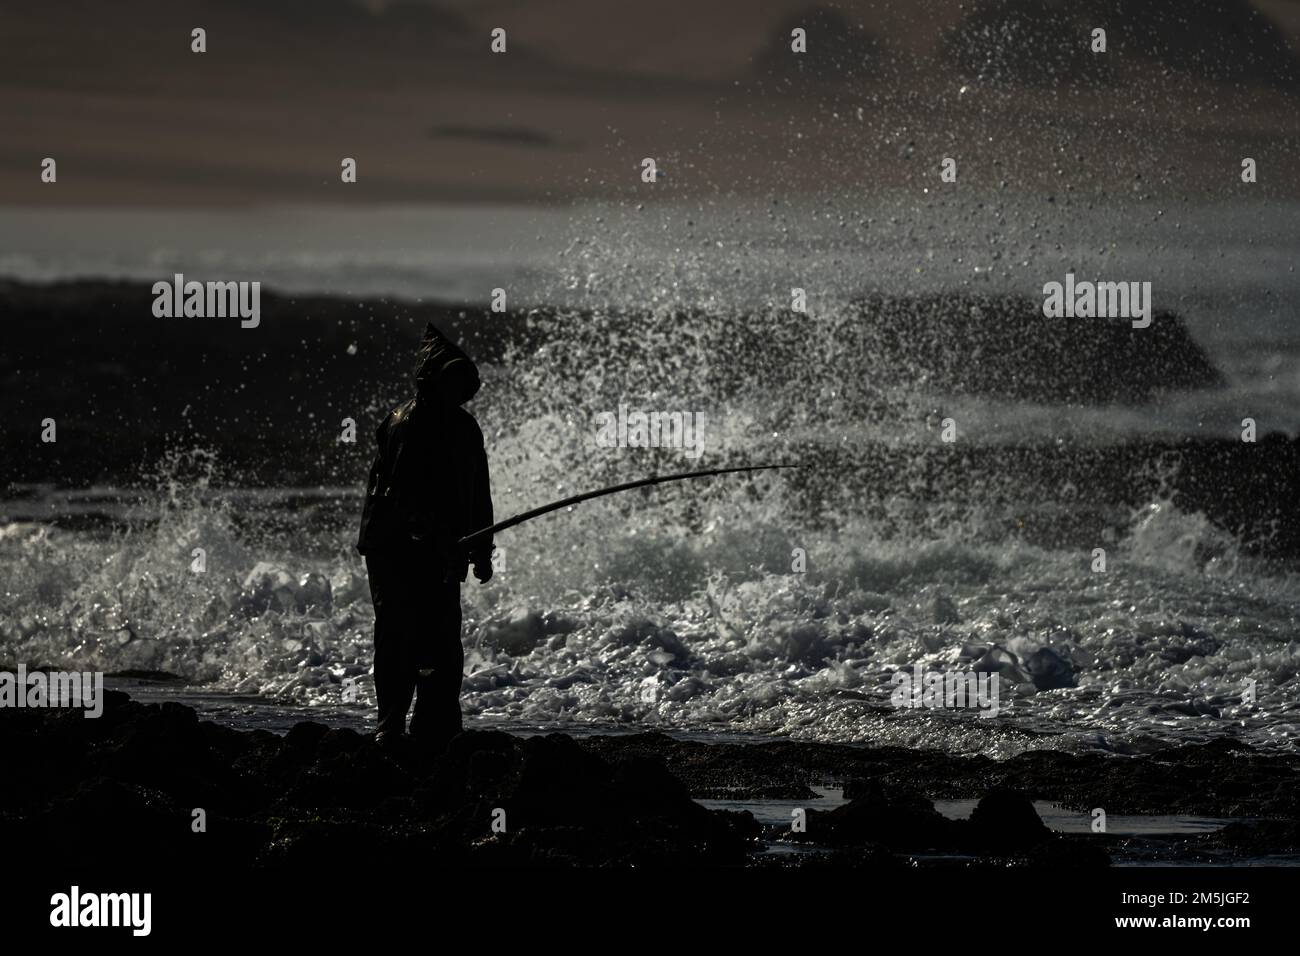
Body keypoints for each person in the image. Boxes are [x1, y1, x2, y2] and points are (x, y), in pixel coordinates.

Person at [356, 322, 494, 747]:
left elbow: (478, 495)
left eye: (462, 383)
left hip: (443, 552)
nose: (456, 391)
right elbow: (399, 498)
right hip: (394, 549)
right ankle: (390, 724)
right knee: (399, 633)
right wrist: (427, 534)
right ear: (429, 380)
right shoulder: (404, 424)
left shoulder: (466, 429)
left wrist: (481, 550)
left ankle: (437, 726)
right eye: (449, 380)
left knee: (442, 641)